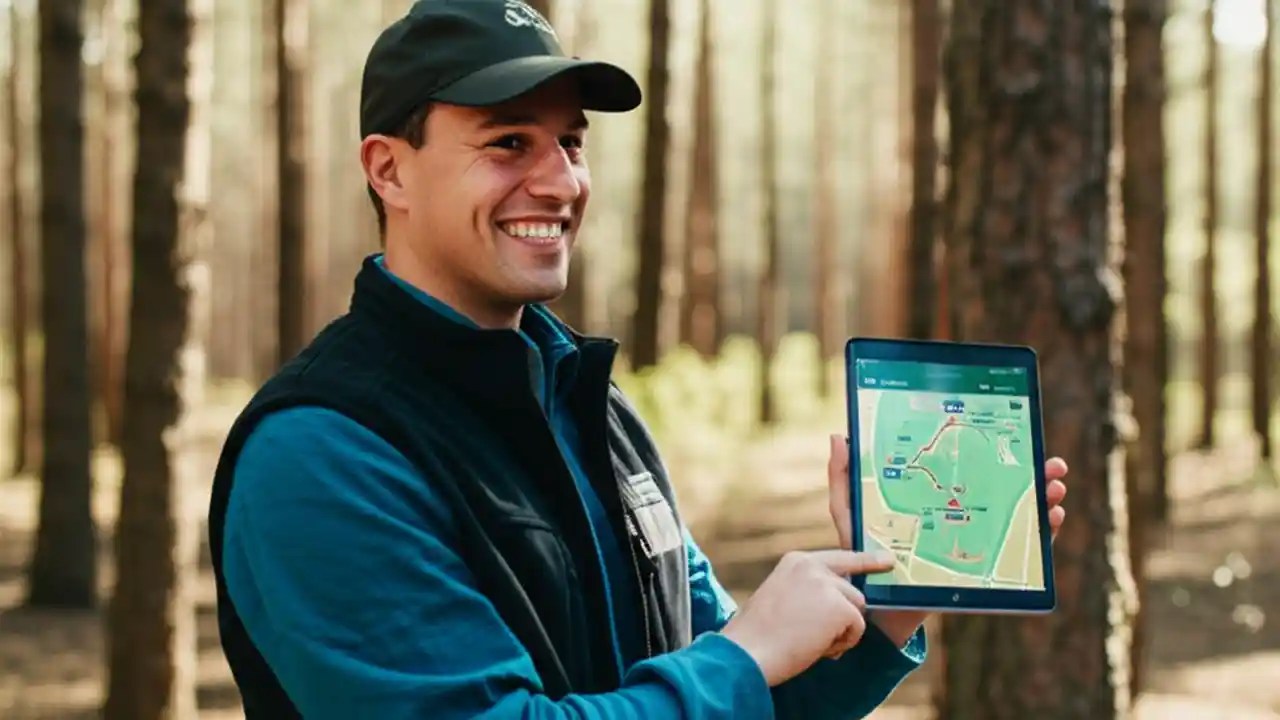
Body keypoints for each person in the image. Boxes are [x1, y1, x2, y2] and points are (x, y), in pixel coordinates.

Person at [207, 1, 1071, 717]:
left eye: (571, 144)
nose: (561, 181)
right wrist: (746, 653)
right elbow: (721, 677)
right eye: (509, 142)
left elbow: (738, 701)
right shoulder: (322, 451)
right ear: (388, 170)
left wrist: (891, 602)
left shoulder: (594, 410)